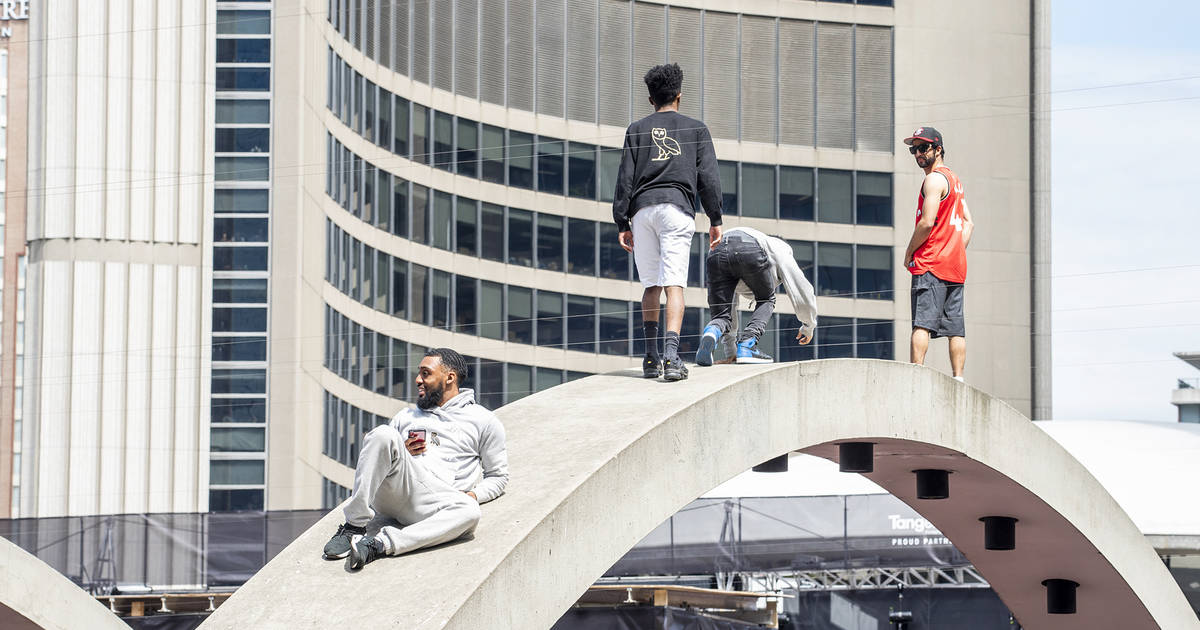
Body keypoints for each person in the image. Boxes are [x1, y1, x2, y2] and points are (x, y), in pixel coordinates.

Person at [323, 348, 509, 570]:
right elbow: (375, 456)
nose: (418, 380)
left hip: (434, 503)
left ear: (450, 378)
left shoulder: (484, 420)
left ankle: (378, 545)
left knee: (470, 511)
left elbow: (498, 476)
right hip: (393, 493)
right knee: (383, 433)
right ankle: (353, 526)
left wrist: (472, 494)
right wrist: (401, 451)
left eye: (425, 373)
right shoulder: (406, 416)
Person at [613, 62, 723, 382]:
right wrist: (715, 217)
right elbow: (709, 179)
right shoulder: (695, 129)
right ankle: (672, 358)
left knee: (651, 285)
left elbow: (625, 178)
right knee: (674, 284)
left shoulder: (636, 129)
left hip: (643, 211)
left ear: (651, 99)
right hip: (676, 209)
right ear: (679, 95)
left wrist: (622, 222)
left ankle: (650, 356)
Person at [902, 127, 975, 381]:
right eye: (914, 149)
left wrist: (909, 252)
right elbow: (968, 223)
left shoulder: (933, 180)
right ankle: (958, 378)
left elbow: (926, 223)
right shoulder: (955, 182)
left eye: (923, 148)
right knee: (955, 328)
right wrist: (955, 249)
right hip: (955, 266)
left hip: (930, 262)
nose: (918, 154)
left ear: (938, 149)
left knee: (922, 323)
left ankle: (916, 375)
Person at [695, 226, 817, 366]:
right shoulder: (780, 248)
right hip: (748, 247)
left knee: (721, 316)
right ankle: (748, 344)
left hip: (716, 250)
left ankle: (712, 331)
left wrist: (731, 353)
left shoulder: (760, 244)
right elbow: (801, 288)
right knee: (766, 299)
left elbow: (730, 307)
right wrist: (808, 325)